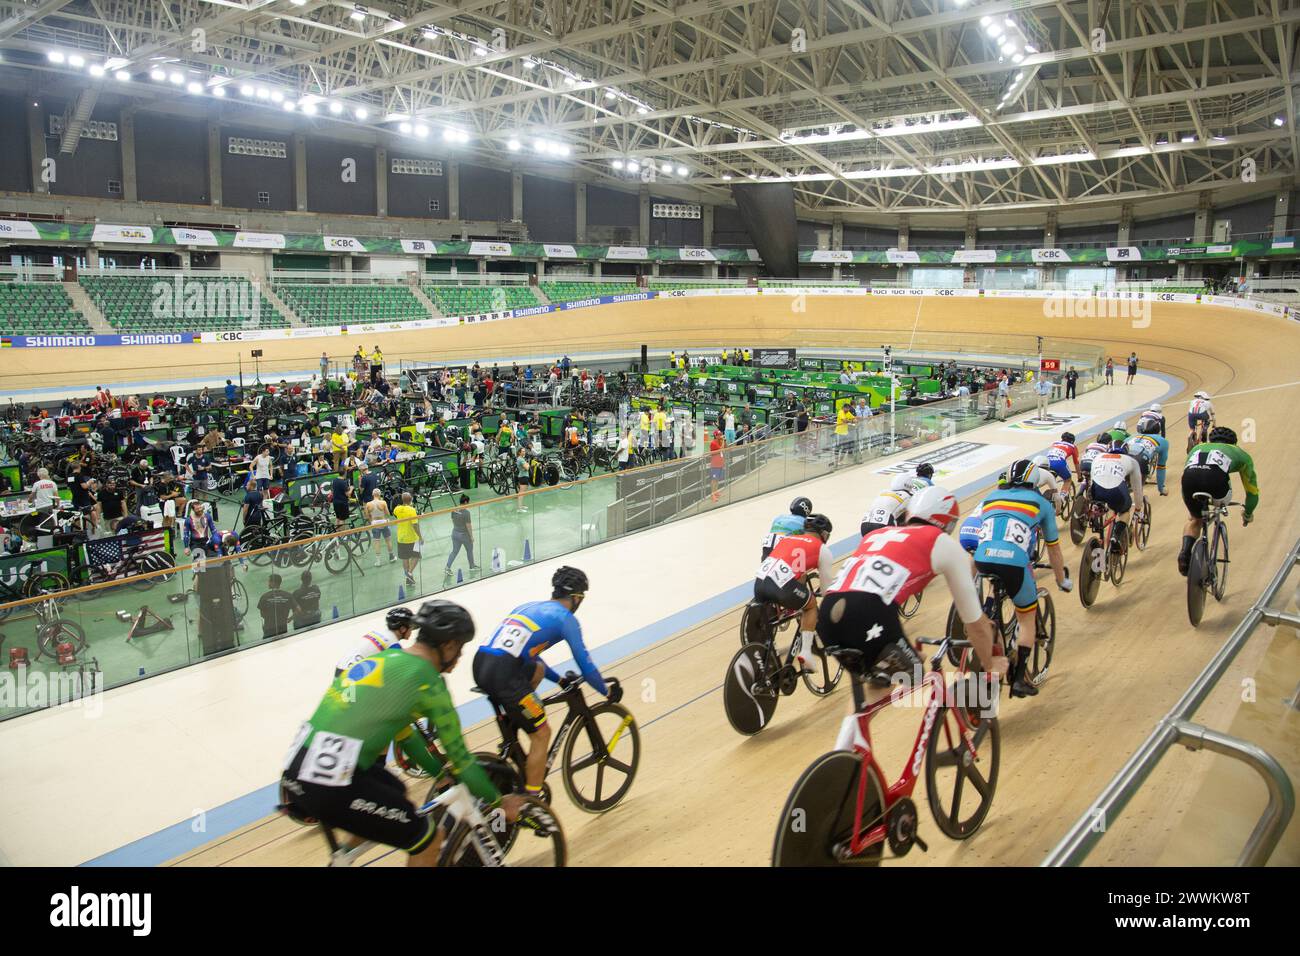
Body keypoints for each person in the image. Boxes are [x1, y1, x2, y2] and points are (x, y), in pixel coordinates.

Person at [281, 601, 523, 866]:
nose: (460, 656)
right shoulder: (428, 682)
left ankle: (343, 858)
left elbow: (406, 738)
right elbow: (462, 759)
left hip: (296, 768)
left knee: (395, 793)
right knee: (428, 839)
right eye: (461, 648)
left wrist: (440, 775)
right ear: (450, 645)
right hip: (330, 781)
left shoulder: (381, 658)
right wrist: (498, 802)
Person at [820, 487, 1003, 705]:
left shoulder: (877, 533)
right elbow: (973, 621)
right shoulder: (939, 540)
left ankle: (851, 735)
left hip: (827, 614)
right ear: (947, 523)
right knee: (913, 673)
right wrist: (991, 667)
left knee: (878, 684)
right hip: (868, 613)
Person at [473, 567, 618, 798]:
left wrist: (560, 680)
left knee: (537, 670)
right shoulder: (566, 619)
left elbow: (530, 657)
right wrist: (606, 691)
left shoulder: (528, 607)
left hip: (481, 664)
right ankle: (532, 801)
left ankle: (516, 727)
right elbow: (585, 665)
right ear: (577, 598)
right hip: (505, 674)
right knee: (542, 733)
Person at [972, 459, 1072, 698]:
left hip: (982, 558)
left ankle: (990, 626)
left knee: (993, 598)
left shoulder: (991, 497)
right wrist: (1061, 580)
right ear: (1034, 480)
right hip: (1014, 562)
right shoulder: (1041, 504)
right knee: (1027, 617)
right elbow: (1054, 549)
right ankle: (1018, 679)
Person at [754, 514, 834, 673]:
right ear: (824, 534)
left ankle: (768, 657)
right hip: (781, 585)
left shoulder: (788, 539)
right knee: (810, 606)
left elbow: (799, 573)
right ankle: (806, 653)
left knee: (772, 623)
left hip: (759, 582)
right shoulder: (821, 548)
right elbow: (826, 591)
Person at [1177, 426, 1259, 575]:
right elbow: (1252, 492)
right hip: (1216, 482)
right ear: (1233, 443)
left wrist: (1192, 509)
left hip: (1189, 481)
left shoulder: (1197, 448)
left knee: (1195, 519)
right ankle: (1217, 515)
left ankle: (1184, 554)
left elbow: (1185, 474)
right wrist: (1248, 514)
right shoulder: (1240, 454)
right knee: (1220, 499)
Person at [1087, 440, 1145, 554]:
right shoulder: (1131, 461)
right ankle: (1116, 537)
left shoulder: (1098, 457)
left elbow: (1092, 478)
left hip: (1096, 489)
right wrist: (1138, 508)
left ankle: (1095, 513)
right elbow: (1137, 488)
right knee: (1125, 511)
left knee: (1102, 502)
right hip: (1116, 490)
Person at [334, 606, 415, 676]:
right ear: (403, 629)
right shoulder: (393, 644)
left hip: (341, 668)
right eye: (411, 627)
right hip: (350, 675)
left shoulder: (379, 632)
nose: (412, 630)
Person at [1131, 415, 1171, 496]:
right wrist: (1161, 488)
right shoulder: (1163, 441)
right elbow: (1161, 467)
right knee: (1138, 489)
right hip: (1140, 459)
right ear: (1157, 430)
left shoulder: (1132, 437)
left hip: (1124, 458)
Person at [444, 494, 478, 577]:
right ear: (466, 502)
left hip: (455, 533)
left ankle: (447, 567)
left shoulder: (453, 510)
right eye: (468, 502)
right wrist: (471, 536)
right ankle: (472, 566)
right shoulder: (466, 513)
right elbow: (468, 525)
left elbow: (453, 520)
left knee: (454, 551)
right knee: (469, 550)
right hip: (464, 535)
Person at [392, 491, 421, 587]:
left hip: (401, 538)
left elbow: (395, 511)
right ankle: (409, 573)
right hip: (413, 538)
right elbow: (415, 525)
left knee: (405, 558)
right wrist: (420, 537)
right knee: (416, 556)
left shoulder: (397, 509)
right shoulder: (412, 510)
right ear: (411, 500)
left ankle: (408, 578)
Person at [363, 488, 395, 566]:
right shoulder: (383, 502)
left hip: (374, 524)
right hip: (383, 522)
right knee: (388, 540)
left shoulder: (368, 504)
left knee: (377, 542)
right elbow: (388, 513)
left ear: (372, 494)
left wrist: (372, 520)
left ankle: (378, 561)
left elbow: (367, 516)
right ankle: (391, 557)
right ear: (380, 494)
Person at [258, 573, 296, 639]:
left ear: (273, 583)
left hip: (269, 628)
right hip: (283, 628)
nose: (268, 583)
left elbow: (262, 614)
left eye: (269, 581)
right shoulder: (288, 595)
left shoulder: (264, 597)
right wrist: (289, 619)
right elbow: (298, 610)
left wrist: (269, 619)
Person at [709, 429, 725, 502]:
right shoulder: (713, 443)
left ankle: (716, 492)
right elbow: (720, 449)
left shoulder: (719, 441)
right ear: (715, 435)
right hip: (715, 464)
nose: (720, 436)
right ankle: (712, 494)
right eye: (718, 435)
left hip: (720, 463)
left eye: (720, 434)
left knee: (717, 479)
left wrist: (724, 441)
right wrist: (723, 442)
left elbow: (725, 447)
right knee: (714, 480)